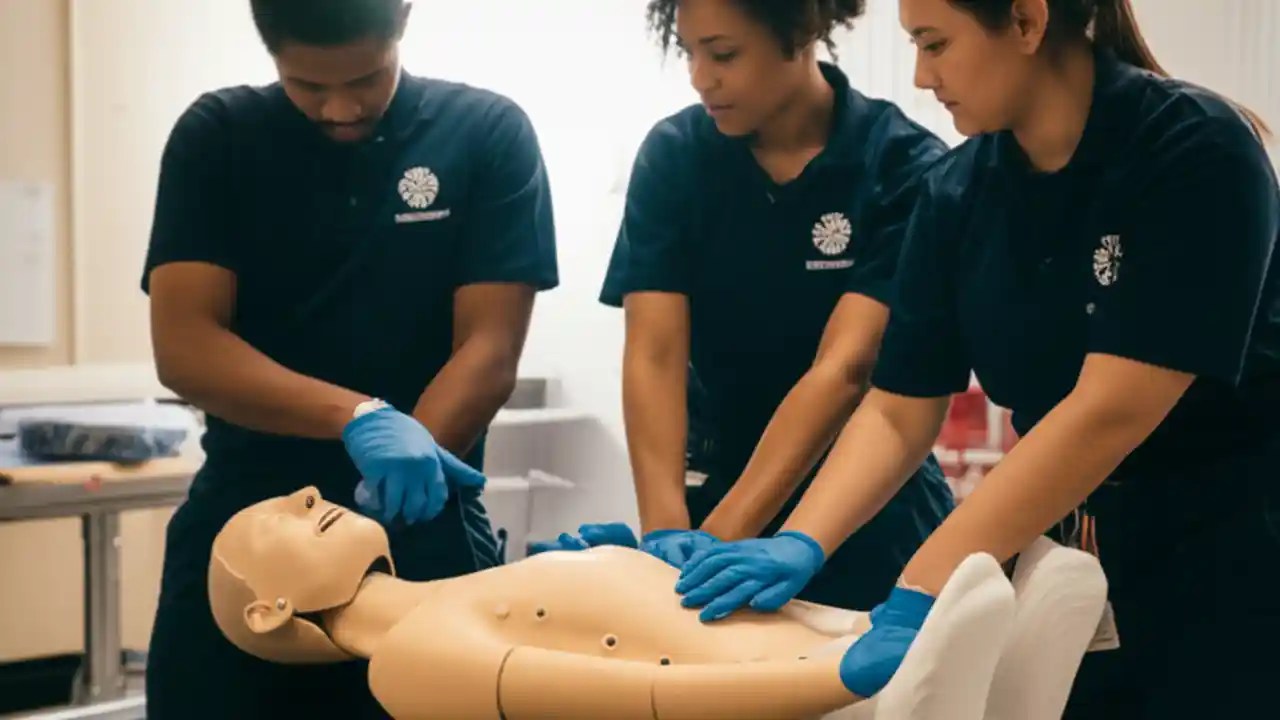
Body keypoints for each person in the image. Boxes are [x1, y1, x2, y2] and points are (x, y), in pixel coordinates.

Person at [673, 0, 1280, 714]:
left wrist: (924, 585)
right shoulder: (958, 192)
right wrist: (802, 538)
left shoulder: (1194, 150)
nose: (922, 76)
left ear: (1026, 21)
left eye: (934, 44)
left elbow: (1109, 411)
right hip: (1073, 547)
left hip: (1235, 545)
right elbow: (901, 408)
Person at [140, 0, 557, 716]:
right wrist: (358, 417)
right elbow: (186, 348)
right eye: (308, 87)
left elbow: (489, 348)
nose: (340, 108)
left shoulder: (486, 134)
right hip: (250, 527)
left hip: (422, 524)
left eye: (366, 78)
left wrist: (409, 464)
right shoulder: (219, 138)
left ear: (402, 17)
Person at [595, 0, 956, 617]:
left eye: (725, 54)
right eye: (690, 52)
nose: (700, 77)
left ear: (804, 29)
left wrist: (724, 539)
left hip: (864, 508)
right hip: (714, 488)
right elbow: (654, 354)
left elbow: (845, 368)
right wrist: (663, 533)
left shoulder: (902, 165)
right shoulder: (675, 157)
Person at [205, 486, 1013, 720]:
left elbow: (619, 632)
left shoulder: (451, 597)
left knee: (1029, 617)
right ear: (270, 609)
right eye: (274, 517)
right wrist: (842, 674)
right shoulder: (409, 664)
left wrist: (628, 560)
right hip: (823, 694)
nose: (307, 493)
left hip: (838, 648)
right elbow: (641, 694)